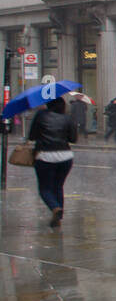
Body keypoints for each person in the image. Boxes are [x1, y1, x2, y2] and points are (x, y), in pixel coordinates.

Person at [27, 96, 77, 228]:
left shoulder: (41, 115)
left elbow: (32, 136)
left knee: (45, 188)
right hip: (65, 156)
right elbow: (73, 139)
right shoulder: (68, 118)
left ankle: (55, 208)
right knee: (58, 186)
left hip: (45, 156)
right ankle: (58, 218)